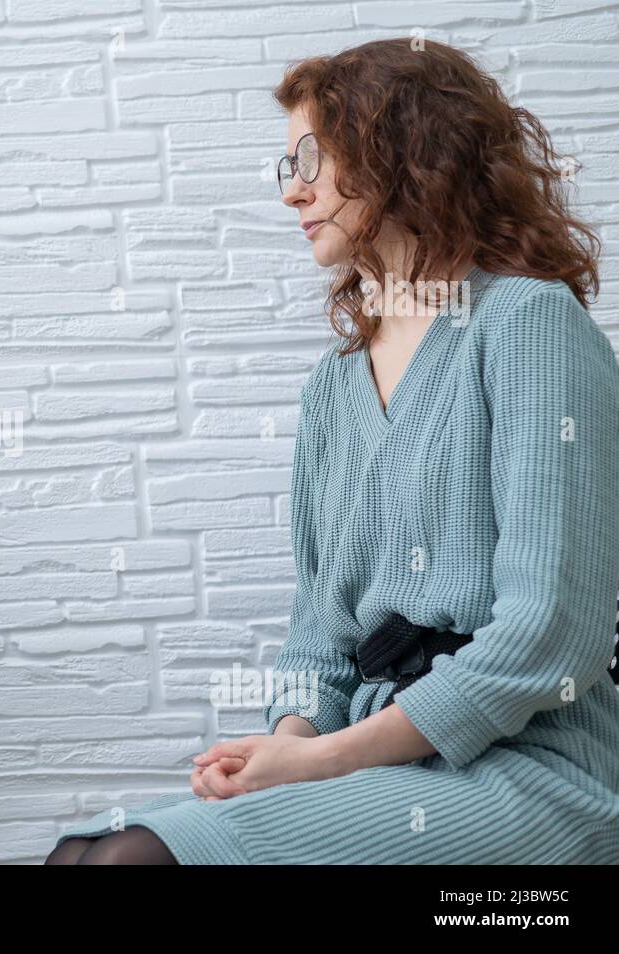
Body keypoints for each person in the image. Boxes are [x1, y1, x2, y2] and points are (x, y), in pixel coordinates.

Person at [46, 37, 619, 865]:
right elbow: (320, 633)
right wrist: (287, 743)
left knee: (126, 862)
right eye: (287, 167)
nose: (295, 192)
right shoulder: (333, 385)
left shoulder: (528, 325)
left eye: (315, 155)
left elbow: (548, 635)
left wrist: (321, 760)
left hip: (530, 765)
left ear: (404, 150)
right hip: (373, 757)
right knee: (84, 854)